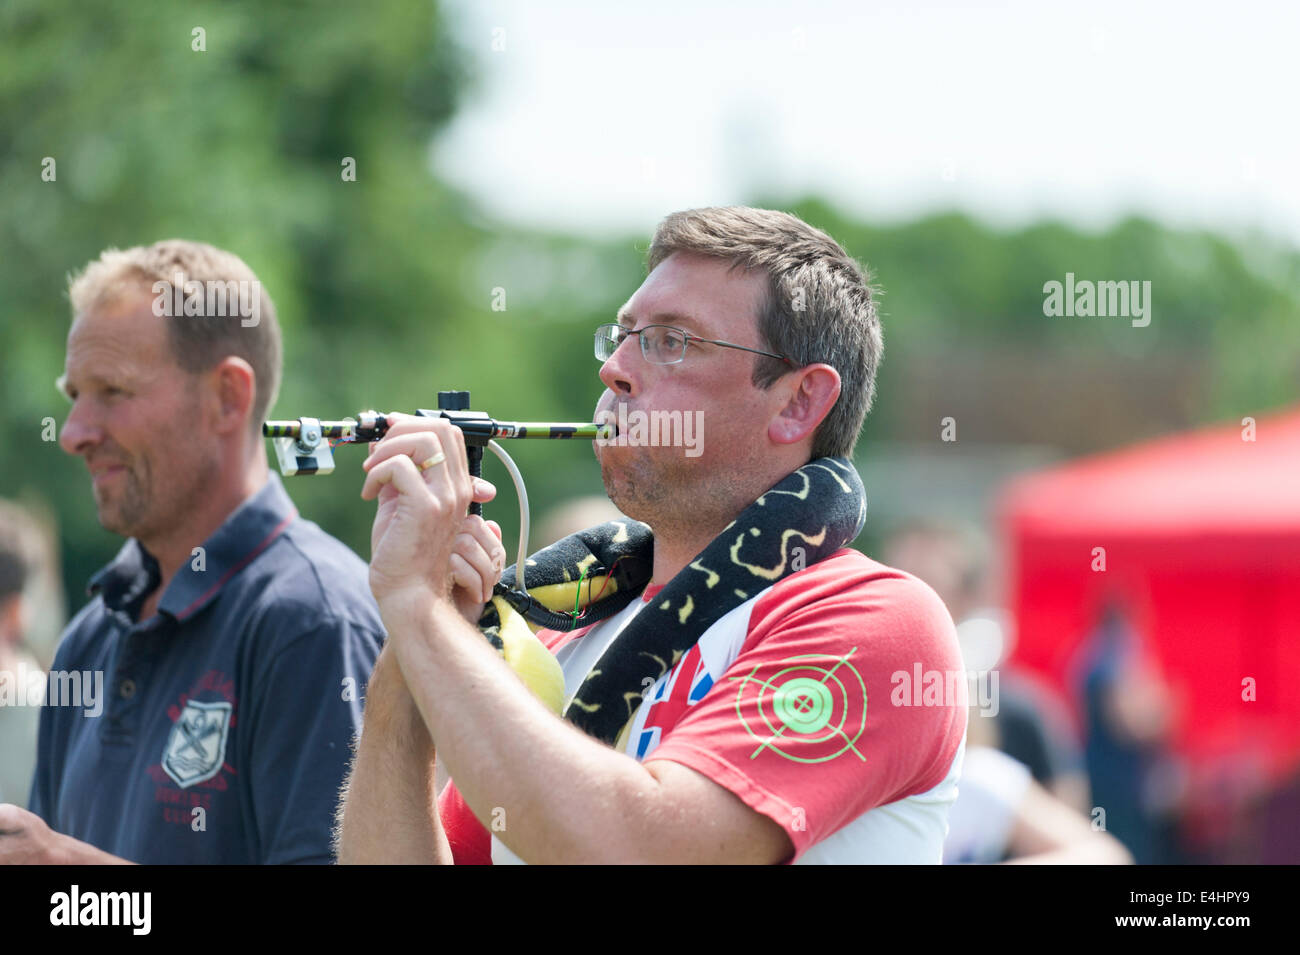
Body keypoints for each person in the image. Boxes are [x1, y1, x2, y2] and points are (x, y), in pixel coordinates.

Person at [336, 207, 968, 864]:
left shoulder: (874, 621)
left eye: (673, 341)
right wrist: (414, 632)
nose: (615, 369)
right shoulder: (561, 630)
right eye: (624, 334)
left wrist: (420, 616)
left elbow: (640, 847)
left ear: (798, 402)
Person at [0, 240, 384, 865]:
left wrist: (69, 874)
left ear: (227, 398)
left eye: (112, 392)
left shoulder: (313, 622)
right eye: (74, 395)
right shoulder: (89, 636)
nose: (74, 433)